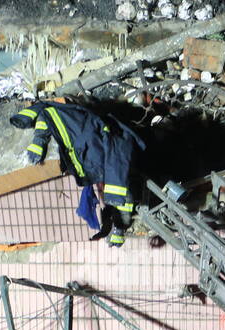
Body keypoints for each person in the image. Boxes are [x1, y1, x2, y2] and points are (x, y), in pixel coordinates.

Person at [10, 101, 145, 247]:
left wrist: (120, 228)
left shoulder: (115, 150)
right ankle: (118, 225)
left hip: (120, 159)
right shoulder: (84, 132)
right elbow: (47, 113)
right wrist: (39, 141)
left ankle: (119, 226)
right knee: (117, 192)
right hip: (95, 152)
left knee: (121, 192)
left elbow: (120, 191)